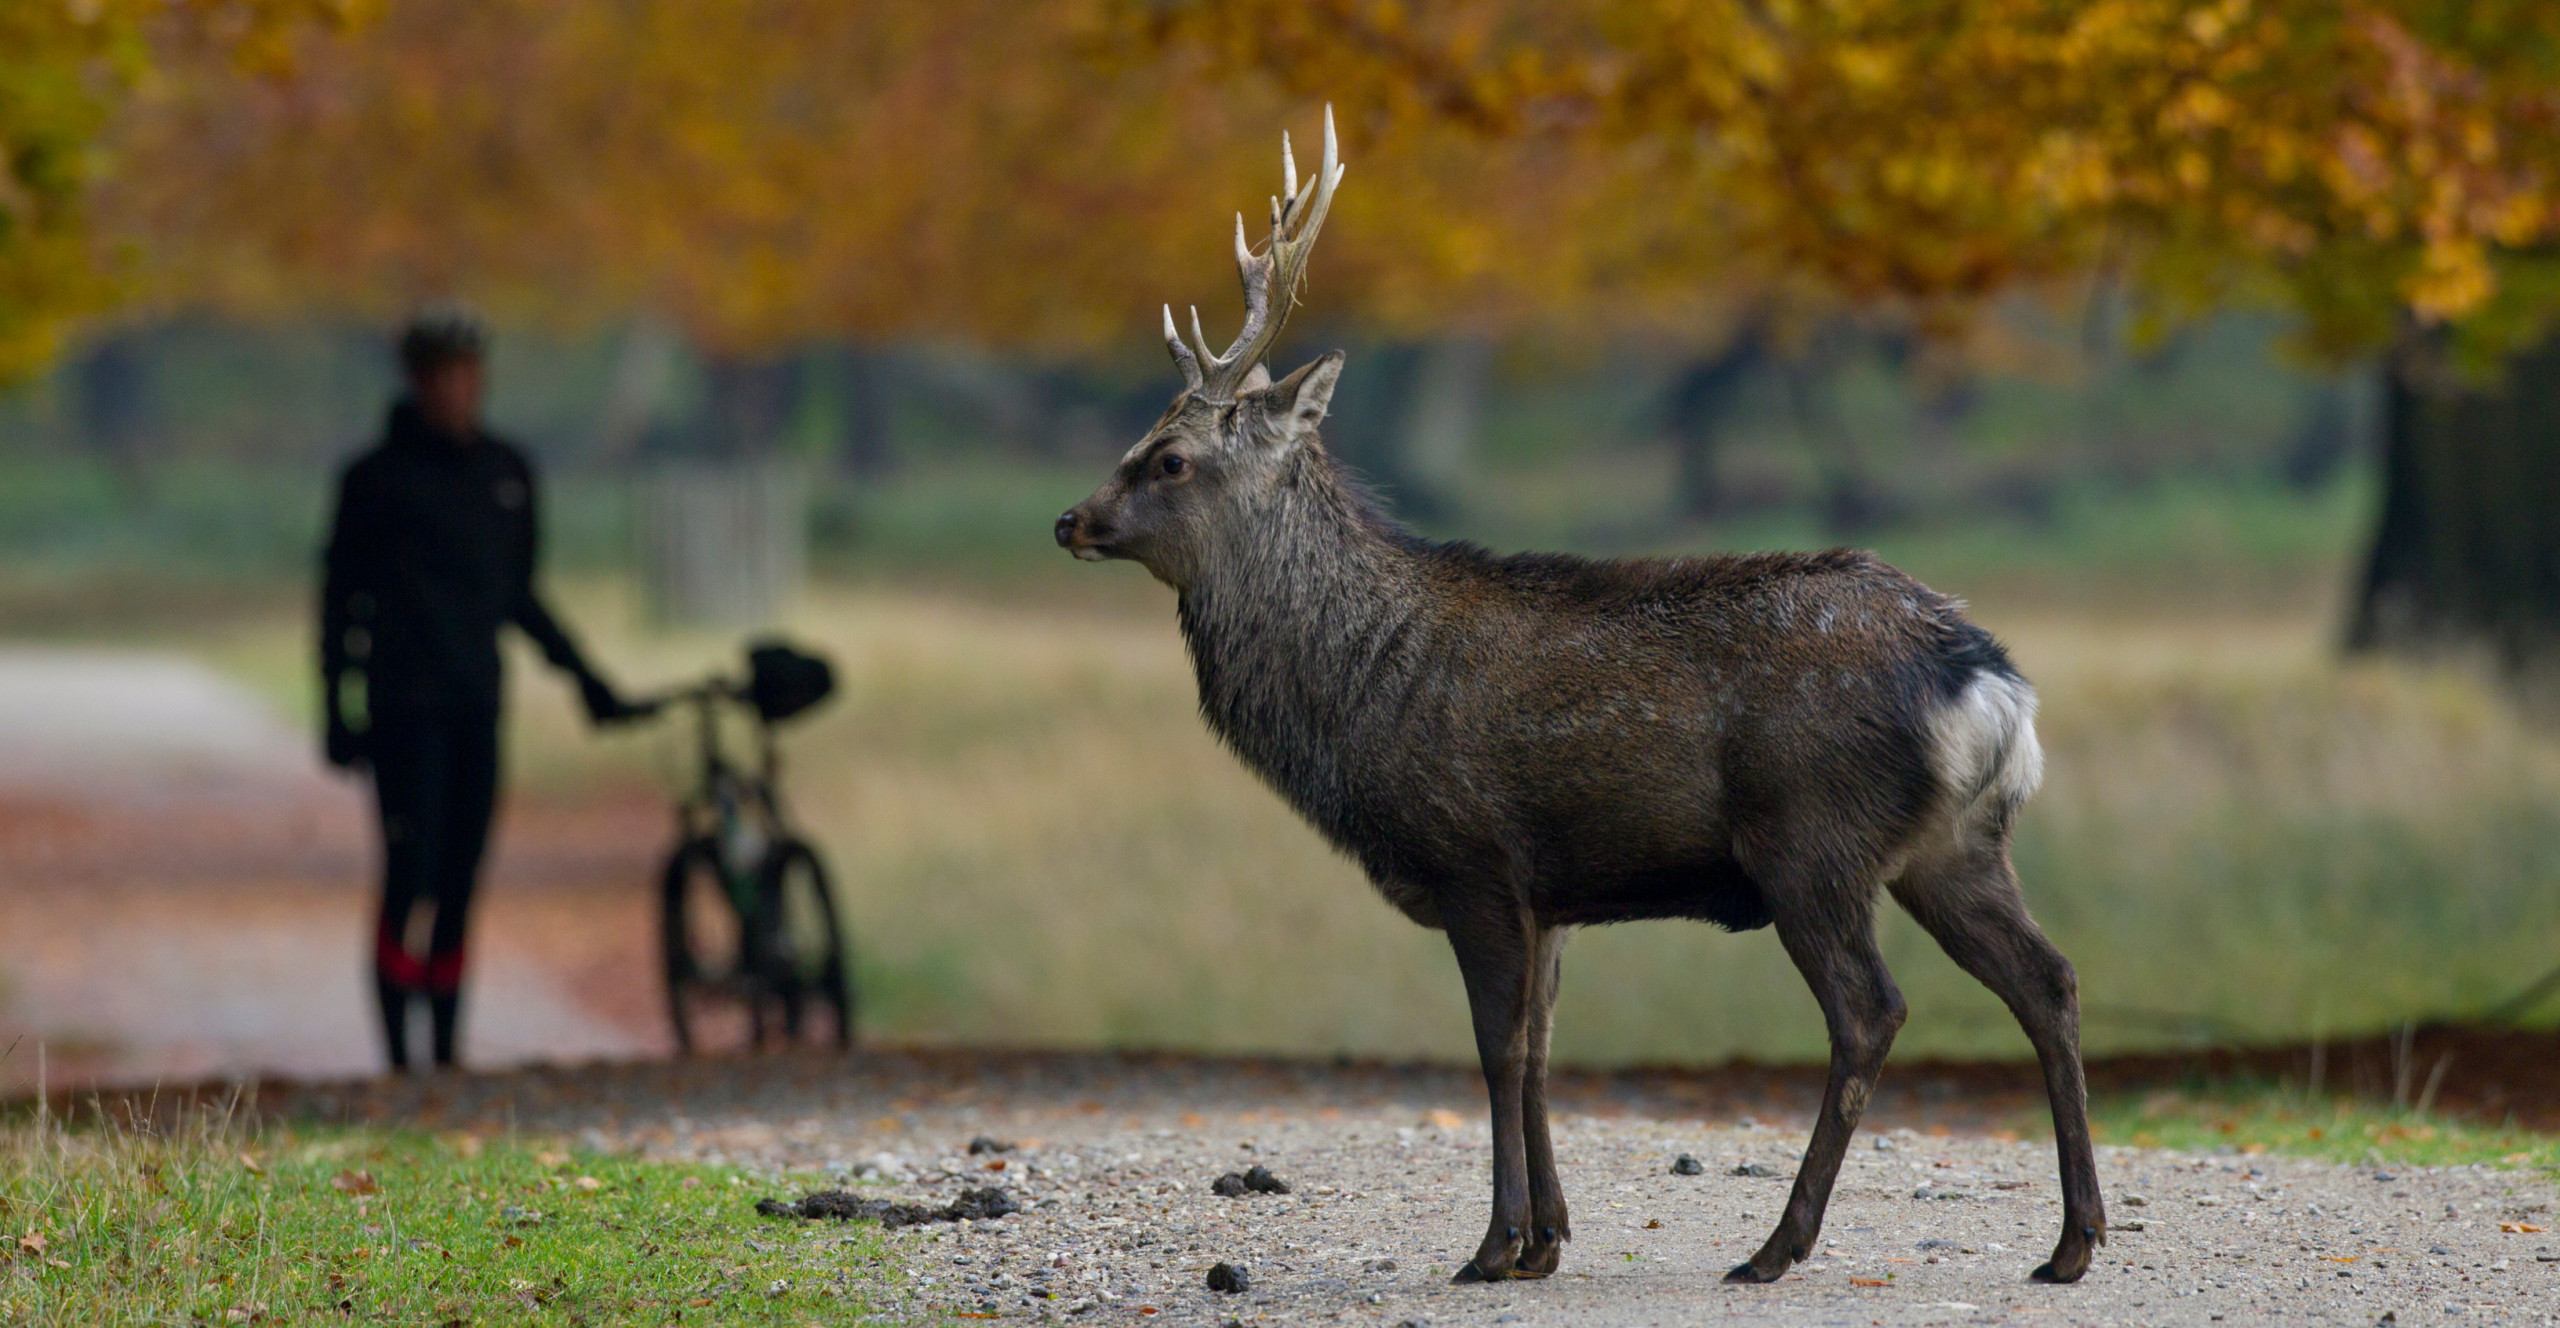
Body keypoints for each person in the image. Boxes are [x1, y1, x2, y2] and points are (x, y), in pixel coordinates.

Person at [318, 306, 638, 1071]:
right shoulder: (373, 480)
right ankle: (400, 1056)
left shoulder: (507, 472)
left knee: (460, 876)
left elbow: (518, 592)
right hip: (402, 707)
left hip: (476, 702)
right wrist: (337, 704)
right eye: (440, 376)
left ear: (481, 381)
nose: (455, 390)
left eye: (467, 376)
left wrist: (584, 676)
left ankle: (448, 1048)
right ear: (417, 382)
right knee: (412, 873)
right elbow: (338, 601)